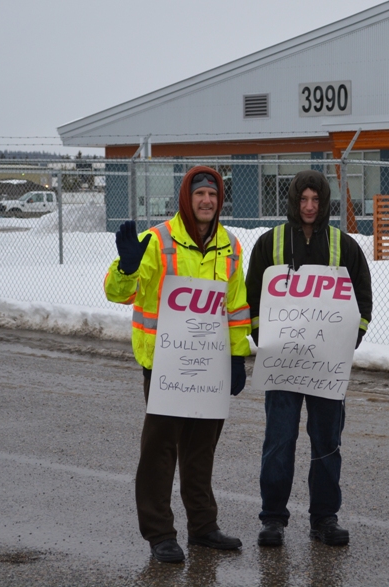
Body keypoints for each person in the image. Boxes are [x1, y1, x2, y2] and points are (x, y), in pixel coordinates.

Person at [104, 166, 252, 563]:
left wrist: (238, 356)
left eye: (214, 195)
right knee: (160, 448)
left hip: (211, 365)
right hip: (165, 363)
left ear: (220, 201)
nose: (207, 201)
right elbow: (119, 293)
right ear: (187, 198)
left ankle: (203, 527)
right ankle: (159, 533)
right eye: (200, 194)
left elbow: (236, 308)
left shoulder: (230, 246)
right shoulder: (159, 240)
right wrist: (127, 266)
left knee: (202, 448)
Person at [245, 170, 372, 547]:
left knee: (326, 442)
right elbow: (253, 298)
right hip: (282, 365)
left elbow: (362, 303)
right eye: (303, 200)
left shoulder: (344, 246)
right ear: (292, 201)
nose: (310, 207)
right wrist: (263, 339)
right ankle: (273, 520)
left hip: (326, 368)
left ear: (326, 202)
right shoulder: (270, 243)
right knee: (279, 441)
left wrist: (348, 342)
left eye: (316, 200)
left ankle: (324, 518)